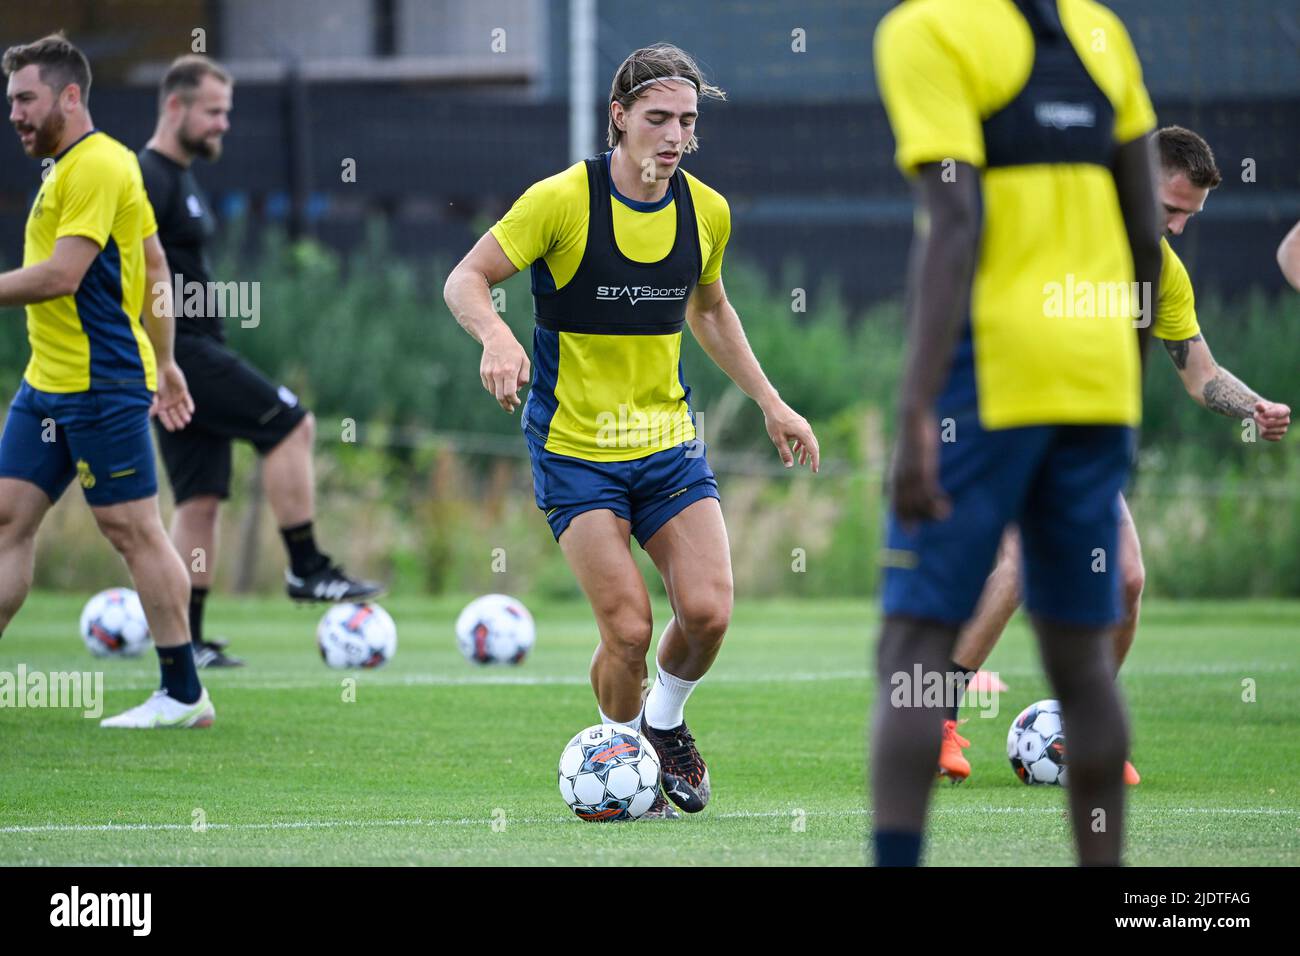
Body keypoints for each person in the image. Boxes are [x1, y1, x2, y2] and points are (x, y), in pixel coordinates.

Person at [445, 43, 819, 818]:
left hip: (667, 447)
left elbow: (710, 310)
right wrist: (497, 337)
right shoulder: (560, 201)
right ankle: (624, 763)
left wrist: (771, 402)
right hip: (576, 453)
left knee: (710, 612)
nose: (675, 135)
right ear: (618, 119)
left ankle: (664, 723)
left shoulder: (704, 211)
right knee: (627, 629)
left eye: (686, 121)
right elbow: (466, 278)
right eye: (658, 119)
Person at [871, 0, 1164, 865]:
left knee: (916, 646)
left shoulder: (926, 30)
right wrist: (1126, 377)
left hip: (990, 373)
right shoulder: (1100, 31)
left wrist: (917, 407)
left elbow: (955, 223)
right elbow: (1145, 233)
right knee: (1080, 658)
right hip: (1099, 371)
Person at [939, 126, 1292, 784]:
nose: (1179, 227)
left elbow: (1199, 372)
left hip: (1079, 442)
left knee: (1126, 580)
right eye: (1171, 209)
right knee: (1021, 564)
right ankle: (935, 719)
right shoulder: (1057, 233)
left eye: (1190, 215)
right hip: (1004, 417)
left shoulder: (1160, 270)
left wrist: (1255, 408)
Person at [139, 54, 381, 668]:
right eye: (214, 112)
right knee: (290, 423)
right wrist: (154, 356)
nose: (224, 124)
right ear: (176, 106)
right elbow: (127, 269)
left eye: (227, 112)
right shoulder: (150, 177)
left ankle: (186, 641)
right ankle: (306, 567)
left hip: (189, 352)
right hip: (182, 354)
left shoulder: (181, 177)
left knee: (199, 501)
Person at [0, 33, 212, 728]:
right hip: (47, 383)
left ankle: (184, 694)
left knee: (132, 530)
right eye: (10, 103)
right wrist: (171, 361)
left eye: (26, 99)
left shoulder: (95, 166)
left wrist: (155, 364)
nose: (15, 115)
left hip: (100, 382)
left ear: (69, 96)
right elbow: (152, 267)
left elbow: (63, 275)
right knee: (7, 520)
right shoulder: (72, 167)